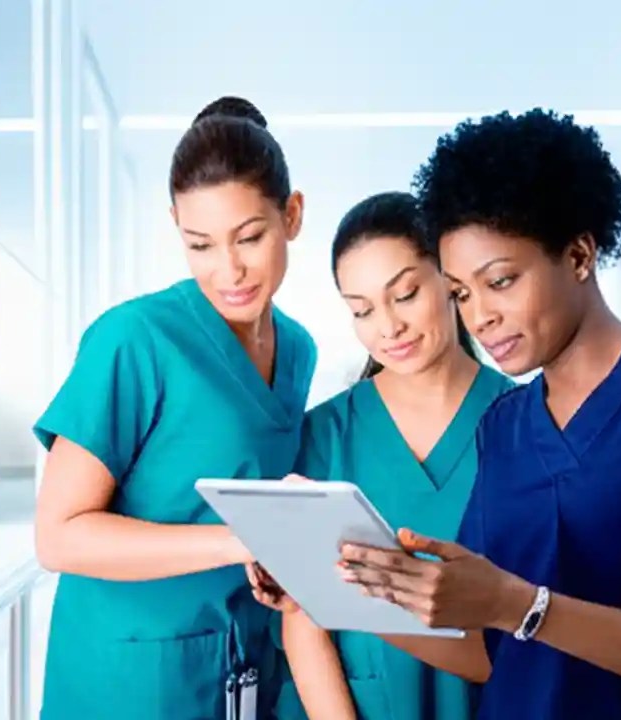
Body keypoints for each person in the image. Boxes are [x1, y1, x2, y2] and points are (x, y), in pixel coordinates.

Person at [335, 109, 621, 719]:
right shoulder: (503, 428)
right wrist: (335, 592)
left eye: (500, 280)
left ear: (579, 255)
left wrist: (526, 607)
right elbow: (490, 648)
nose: (480, 318)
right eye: (462, 294)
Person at [31, 96, 317, 719]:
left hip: (242, 664)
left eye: (250, 237)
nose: (230, 270)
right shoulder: (133, 339)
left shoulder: (297, 351)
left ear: (292, 215)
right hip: (127, 678)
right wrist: (240, 541)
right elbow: (59, 536)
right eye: (201, 244)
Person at [265, 192, 513, 720]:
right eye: (362, 310)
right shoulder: (328, 434)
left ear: (449, 279)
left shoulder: (525, 423)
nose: (387, 327)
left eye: (404, 294)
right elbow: (302, 613)